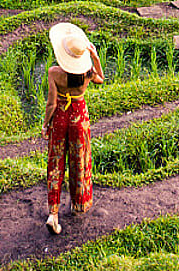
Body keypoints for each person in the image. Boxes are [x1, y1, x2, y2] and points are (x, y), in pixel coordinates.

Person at [42, 22, 104, 235]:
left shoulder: (54, 73)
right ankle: (78, 204)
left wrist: (45, 124)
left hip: (60, 117)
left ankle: (53, 213)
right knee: (80, 160)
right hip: (80, 119)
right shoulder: (87, 72)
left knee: (56, 163)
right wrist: (94, 56)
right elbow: (101, 78)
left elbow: (51, 104)